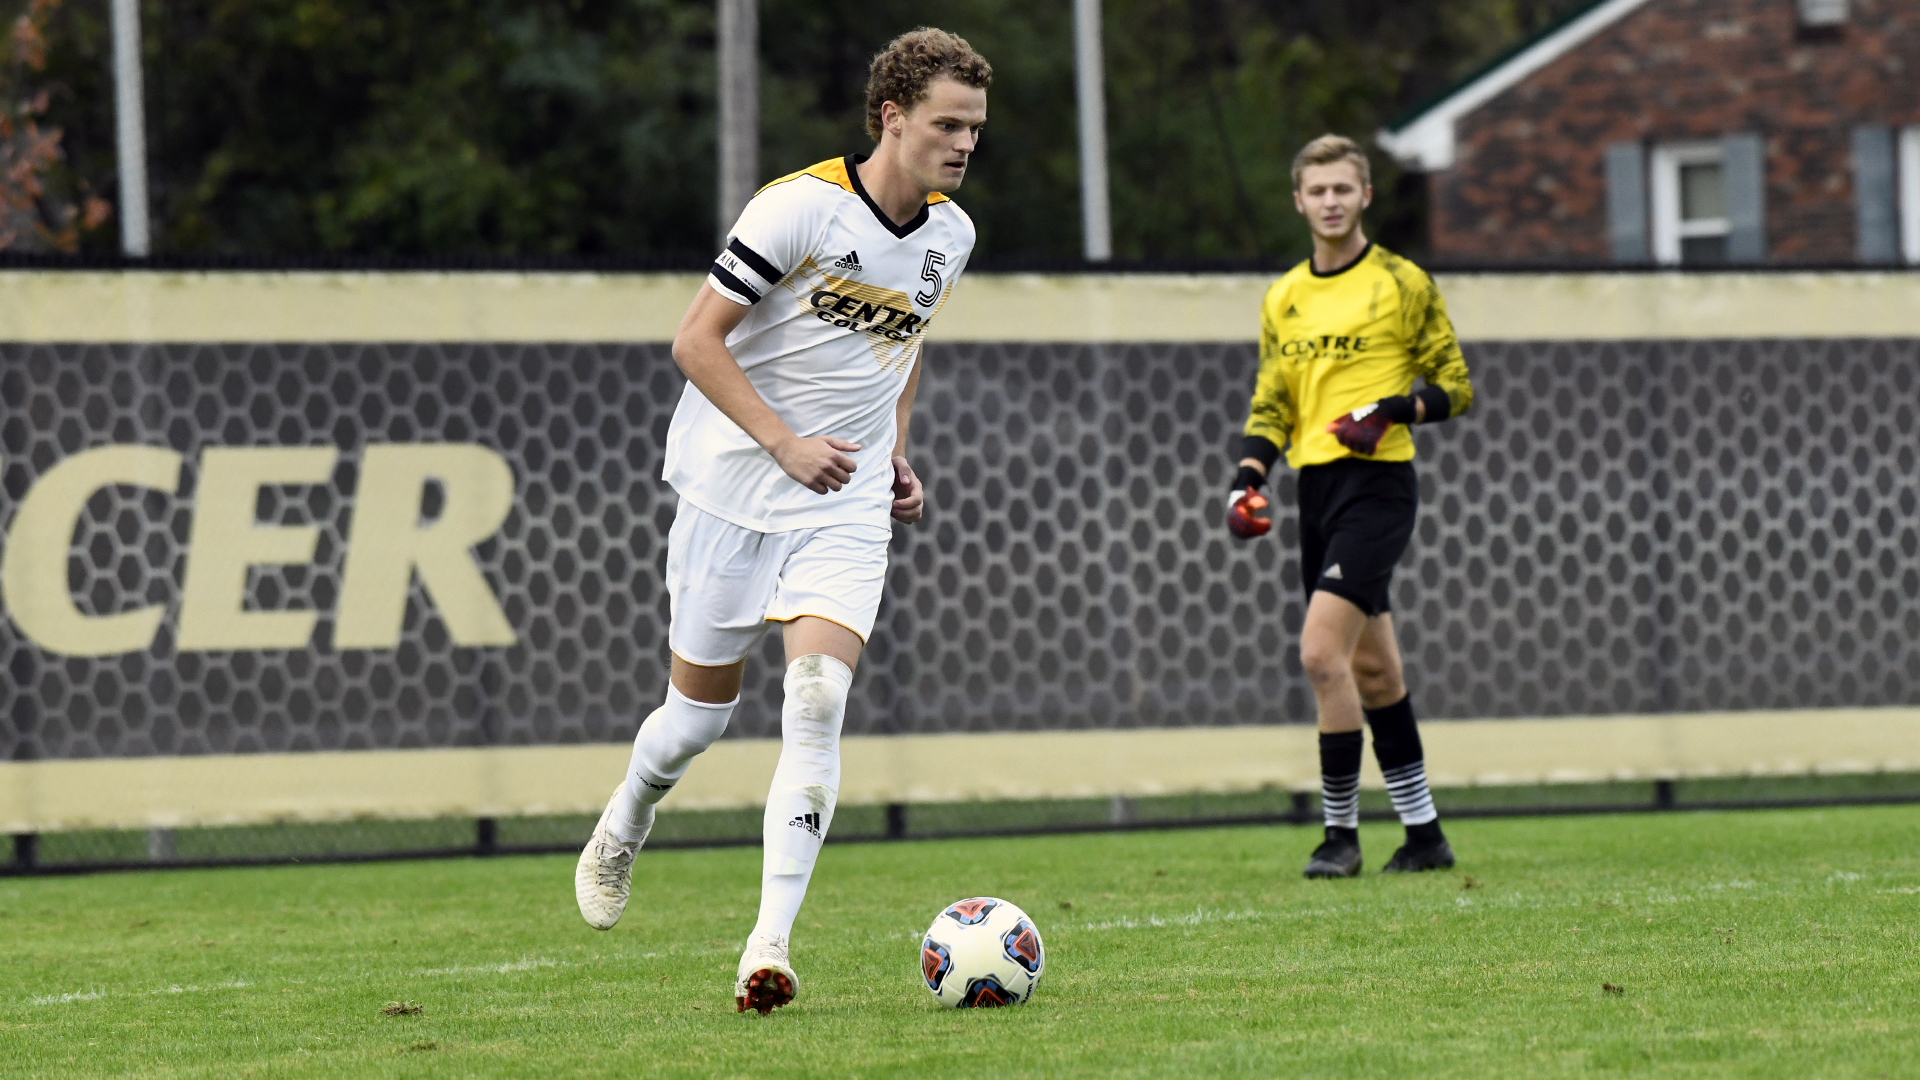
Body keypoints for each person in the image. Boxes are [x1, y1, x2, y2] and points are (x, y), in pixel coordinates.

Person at [573, 27, 989, 1014]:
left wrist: (893, 449)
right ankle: (626, 820)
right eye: (947, 124)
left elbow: (906, 345)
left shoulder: (951, 236)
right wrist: (784, 443)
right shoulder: (800, 207)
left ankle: (768, 945)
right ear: (893, 118)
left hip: (840, 507)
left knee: (814, 698)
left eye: (975, 127)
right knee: (693, 725)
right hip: (730, 489)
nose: (966, 143)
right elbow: (695, 341)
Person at [1226, 134, 1474, 879]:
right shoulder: (1284, 295)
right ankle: (1425, 836)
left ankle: (1339, 835)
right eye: (1317, 190)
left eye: (1344, 188)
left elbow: (1455, 385)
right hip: (1317, 490)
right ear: (1298, 201)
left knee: (1318, 653)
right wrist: (1248, 478)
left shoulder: (1402, 282)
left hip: (1379, 487)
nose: (1330, 201)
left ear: (1365, 196)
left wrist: (1394, 409)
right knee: (1374, 674)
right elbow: (1273, 399)